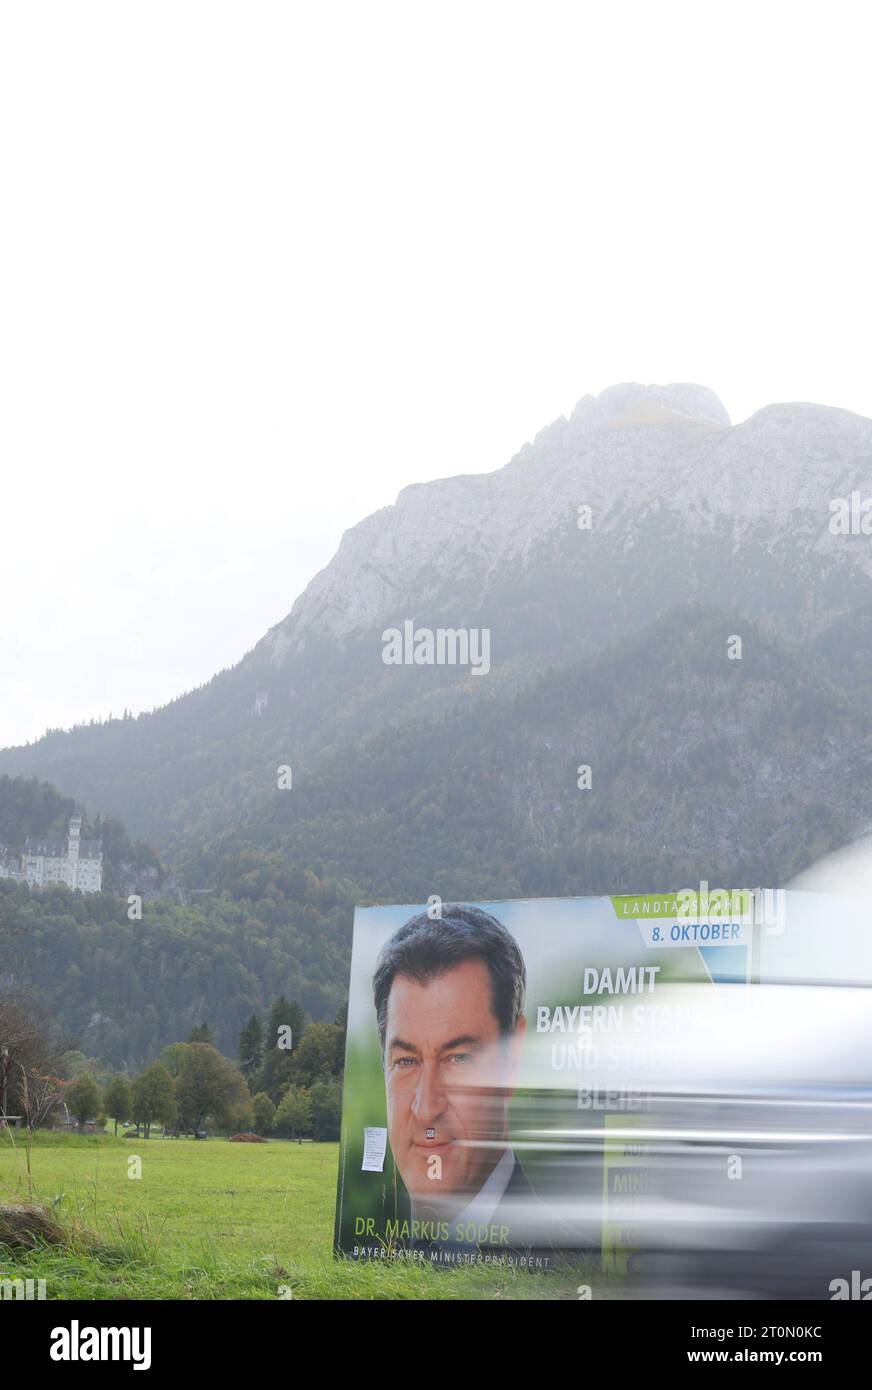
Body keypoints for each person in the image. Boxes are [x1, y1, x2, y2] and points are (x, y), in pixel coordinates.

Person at [372, 903, 585, 1257]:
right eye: (406, 1060)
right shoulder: (370, 1258)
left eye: (458, 1058)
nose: (426, 1109)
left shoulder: (571, 1265)